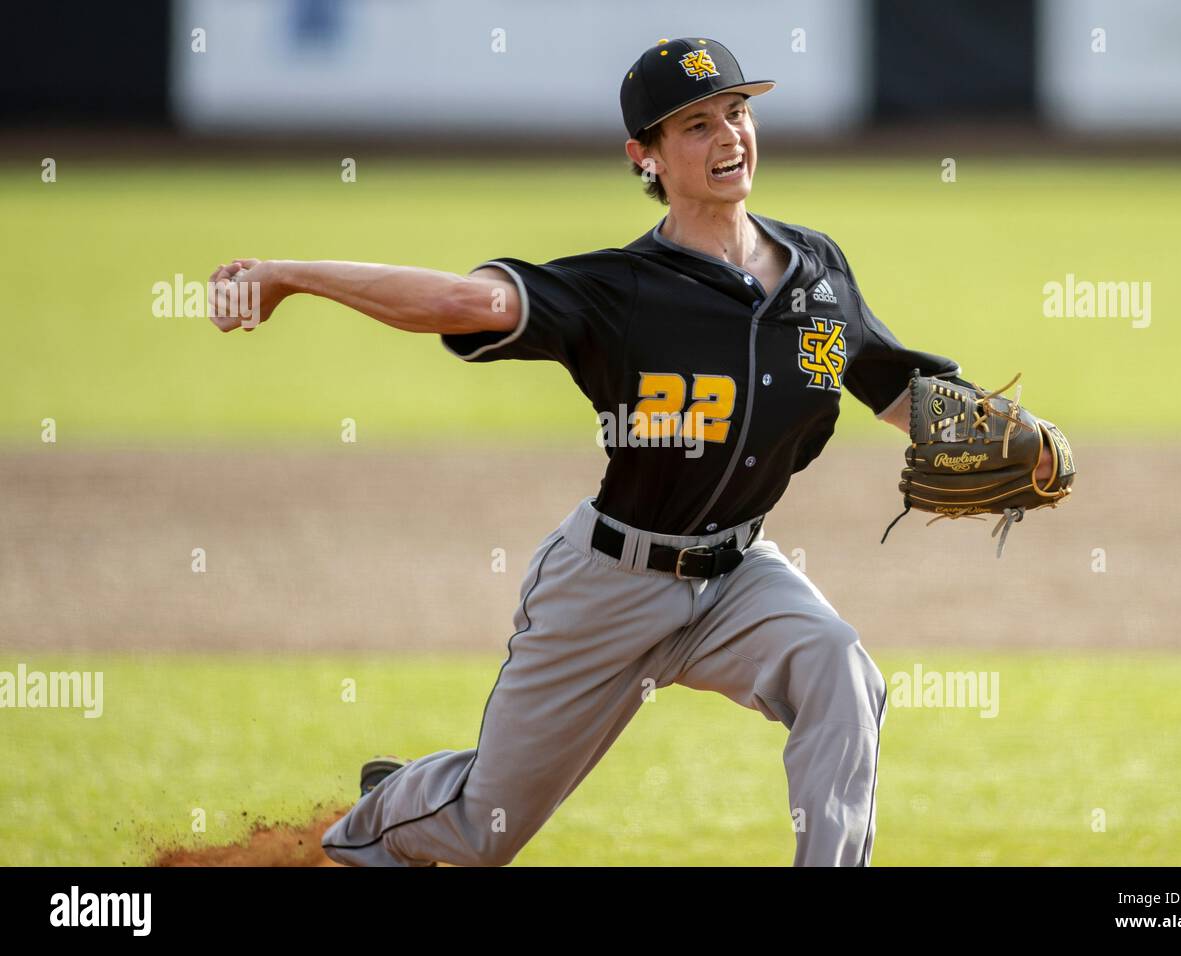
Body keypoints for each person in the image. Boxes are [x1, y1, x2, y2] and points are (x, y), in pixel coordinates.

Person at [207, 37, 1053, 867]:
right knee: (480, 833)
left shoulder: (814, 274)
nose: (729, 136)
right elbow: (463, 301)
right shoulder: (618, 293)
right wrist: (290, 274)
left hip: (738, 579)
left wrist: (1018, 441)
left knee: (839, 670)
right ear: (644, 156)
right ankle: (378, 816)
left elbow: (890, 385)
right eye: (694, 126)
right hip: (608, 586)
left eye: (735, 111)